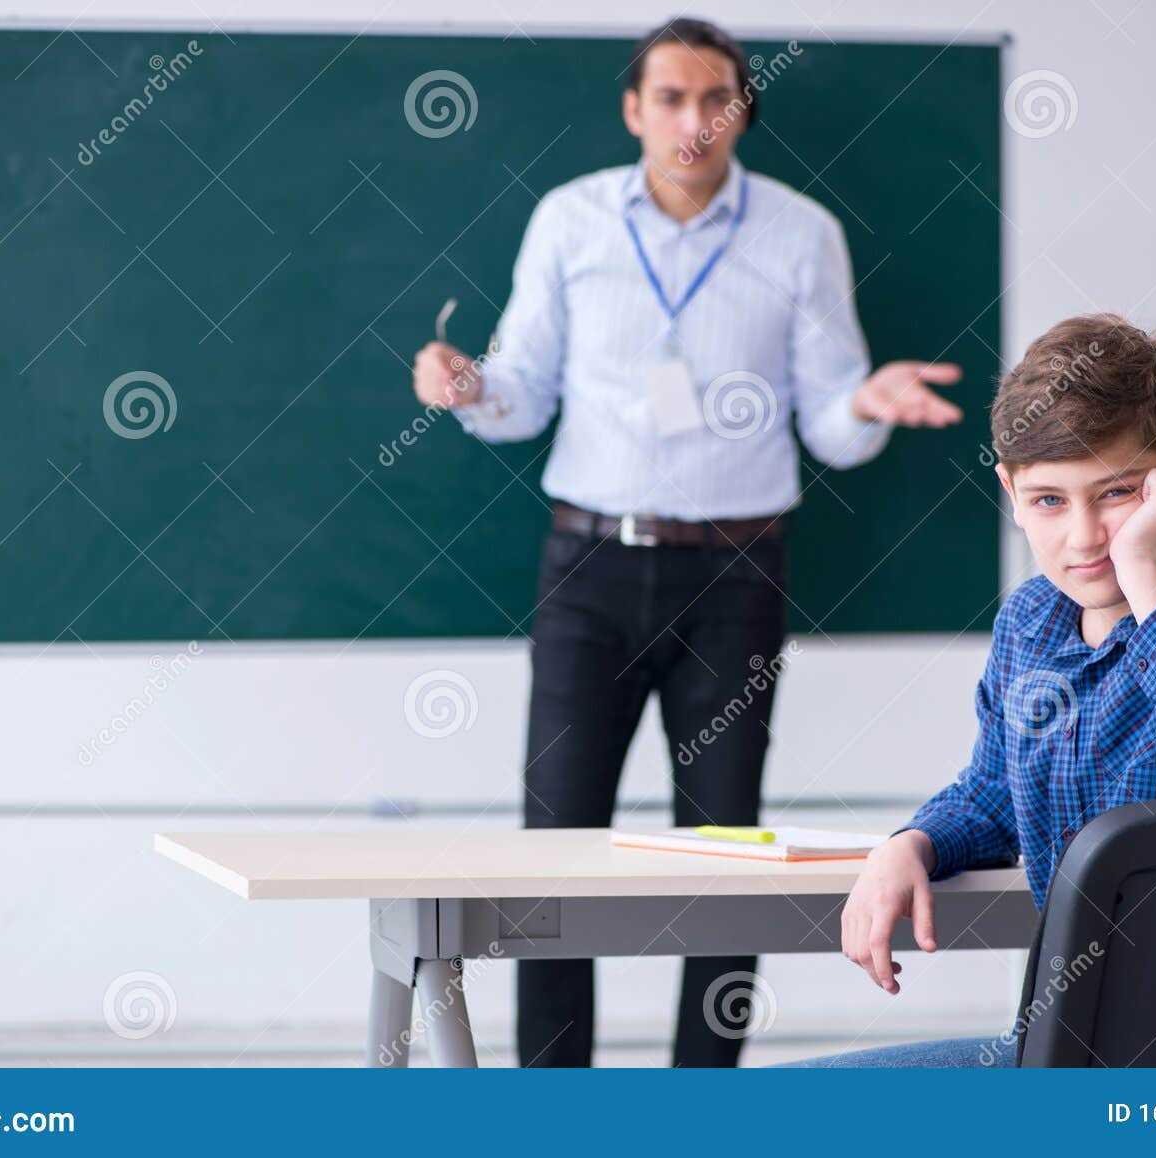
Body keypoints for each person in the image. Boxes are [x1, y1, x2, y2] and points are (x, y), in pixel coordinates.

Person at [410, 18, 964, 1067]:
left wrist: (871, 401)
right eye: (669, 97)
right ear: (633, 110)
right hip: (589, 569)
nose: (693, 120)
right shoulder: (569, 221)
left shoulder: (799, 234)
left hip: (736, 575)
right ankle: (550, 1102)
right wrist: (468, 385)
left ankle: (702, 1103)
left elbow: (830, 430)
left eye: (716, 98)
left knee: (726, 855)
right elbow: (519, 397)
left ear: (741, 110)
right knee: (557, 855)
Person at [784, 312, 1156, 1067]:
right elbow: (994, 793)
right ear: (1010, 491)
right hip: (1076, 1036)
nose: (1084, 538)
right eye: (1049, 500)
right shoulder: (1032, 621)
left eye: (1119, 494)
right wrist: (911, 843)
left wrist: (1150, 583)